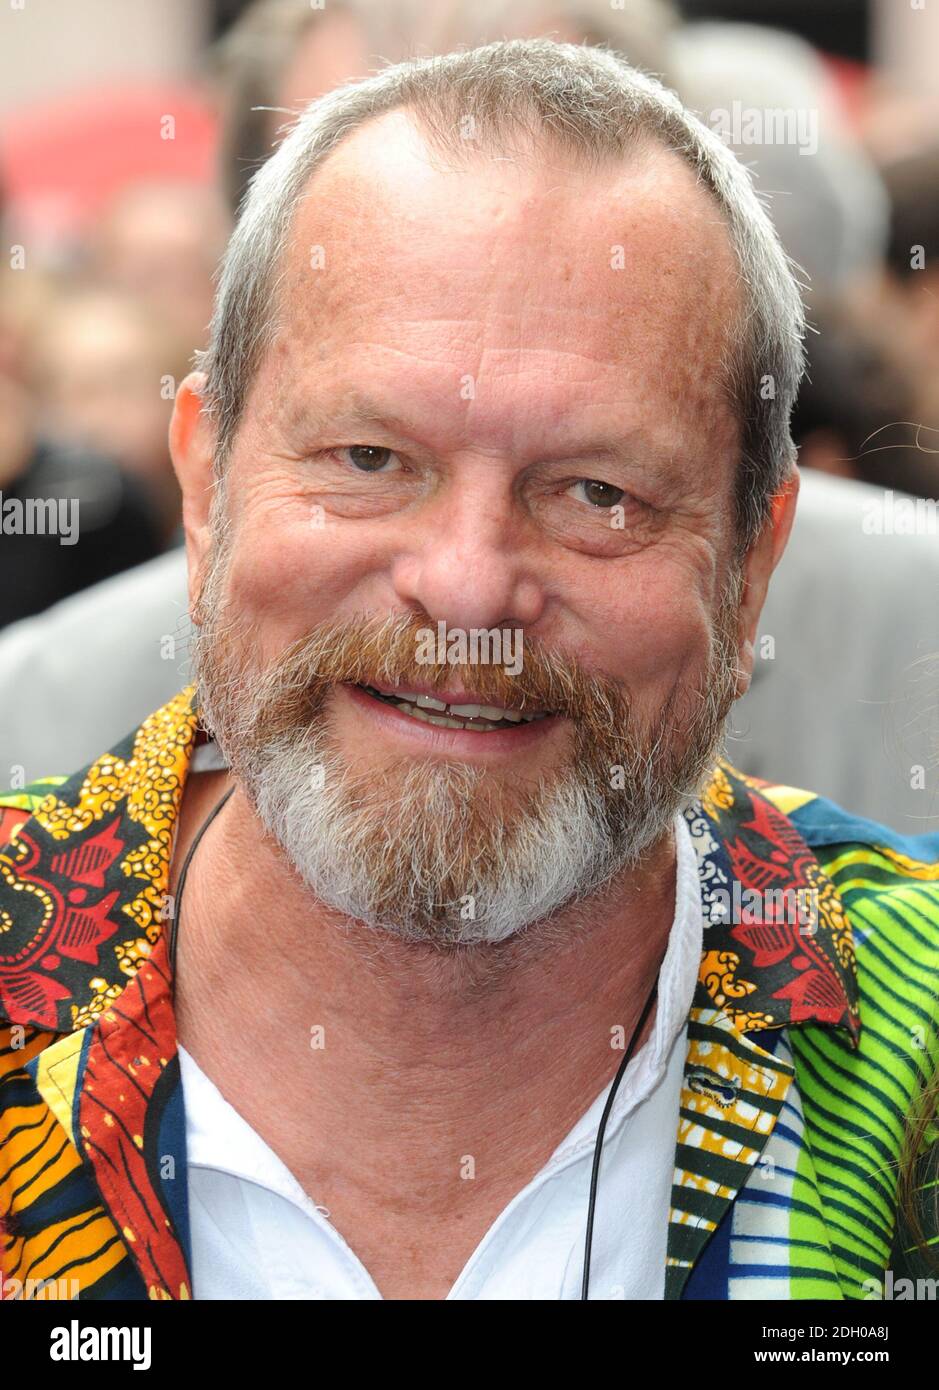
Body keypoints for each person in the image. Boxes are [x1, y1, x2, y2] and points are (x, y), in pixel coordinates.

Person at [3, 40, 939, 1302]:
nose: (466, 586)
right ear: (206, 484)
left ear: (751, 562)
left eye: (597, 492)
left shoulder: (914, 1041)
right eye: (370, 457)